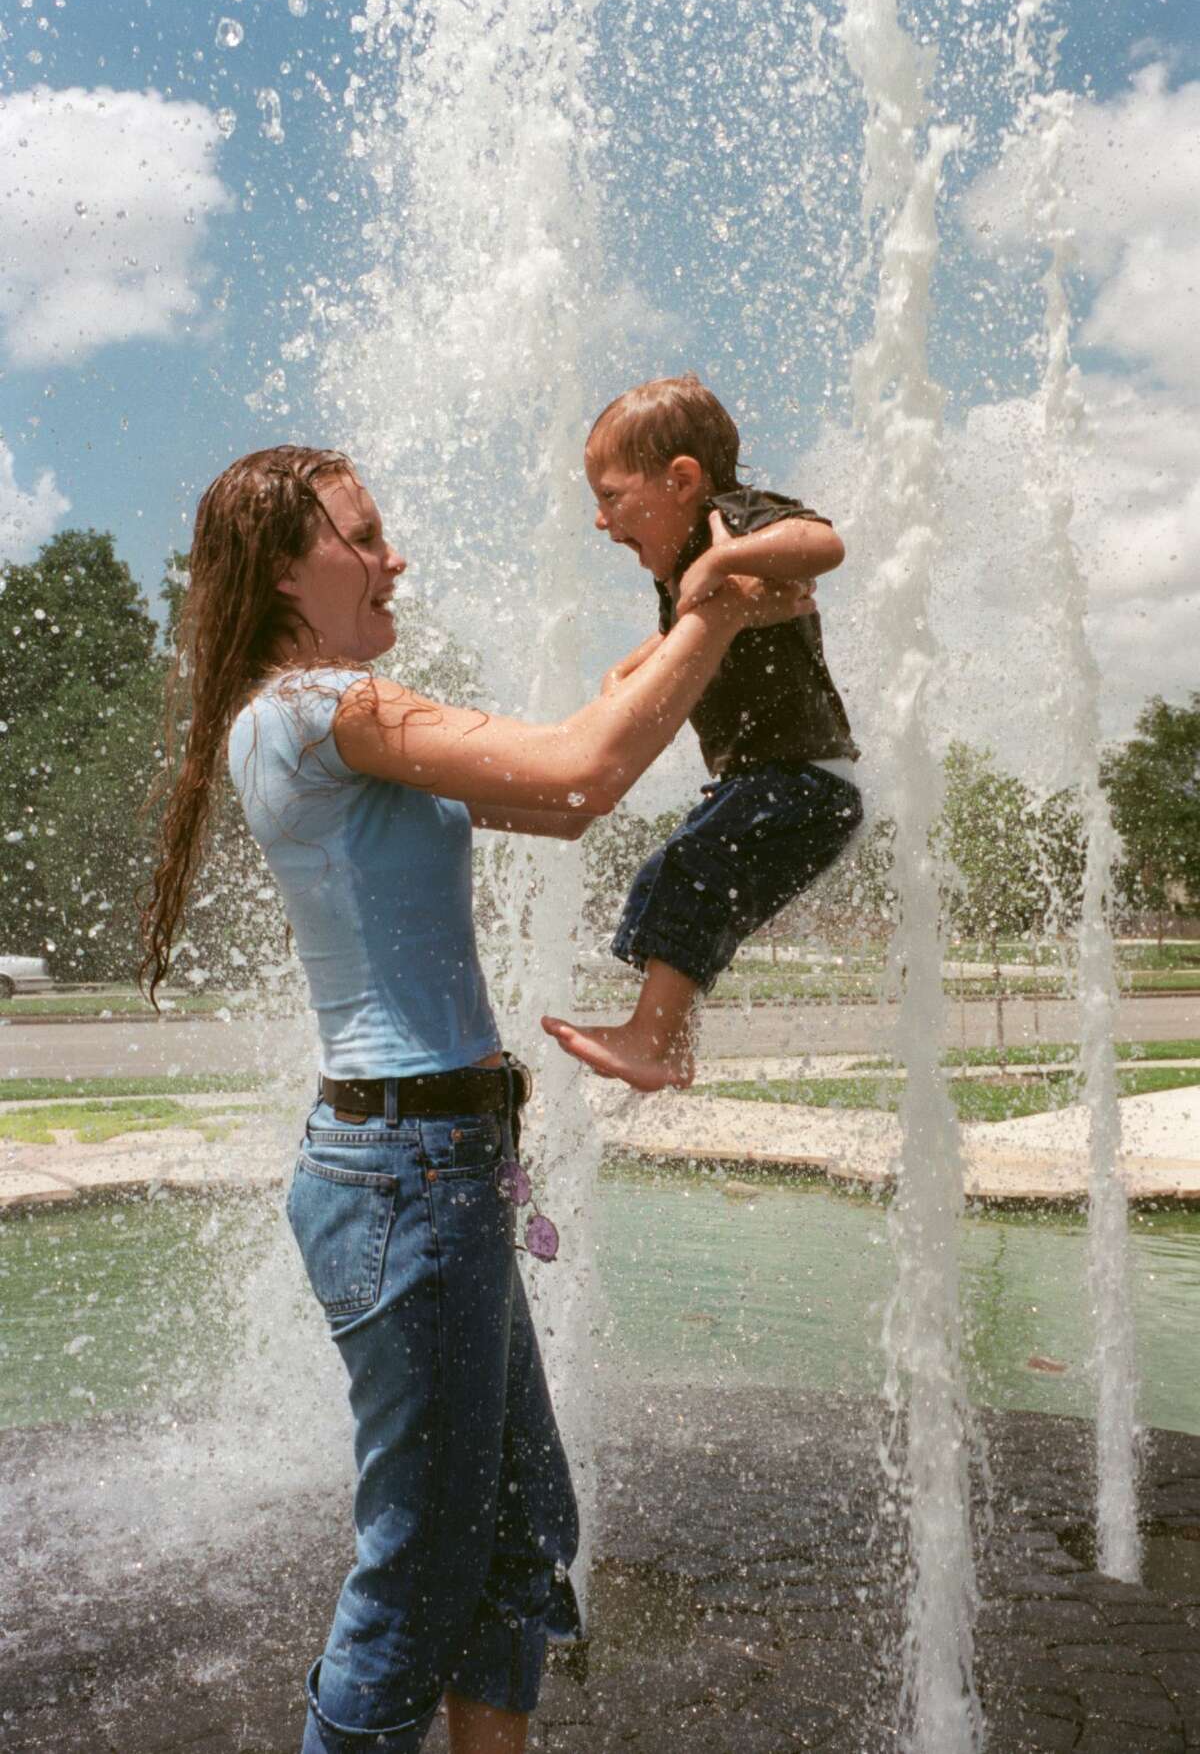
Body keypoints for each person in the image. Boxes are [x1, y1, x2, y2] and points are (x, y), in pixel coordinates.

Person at [139, 444, 812, 1754]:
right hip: (408, 1175)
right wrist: (714, 604)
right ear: (288, 566)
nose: (393, 558)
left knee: (514, 1542)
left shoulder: (318, 721)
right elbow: (578, 775)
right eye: (364, 534)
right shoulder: (317, 710)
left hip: (434, 1163)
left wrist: (679, 643)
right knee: (413, 1581)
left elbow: (563, 795)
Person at [542, 374, 864, 1092]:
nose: (600, 520)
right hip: (770, 780)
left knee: (694, 865)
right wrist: (629, 668)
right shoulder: (684, 569)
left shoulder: (731, 520)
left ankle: (653, 1039)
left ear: (682, 479)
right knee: (673, 872)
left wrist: (727, 557)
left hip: (805, 778)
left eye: (611, 496)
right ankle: (668, 1035)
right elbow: (678, 636)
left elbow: (825, 543)